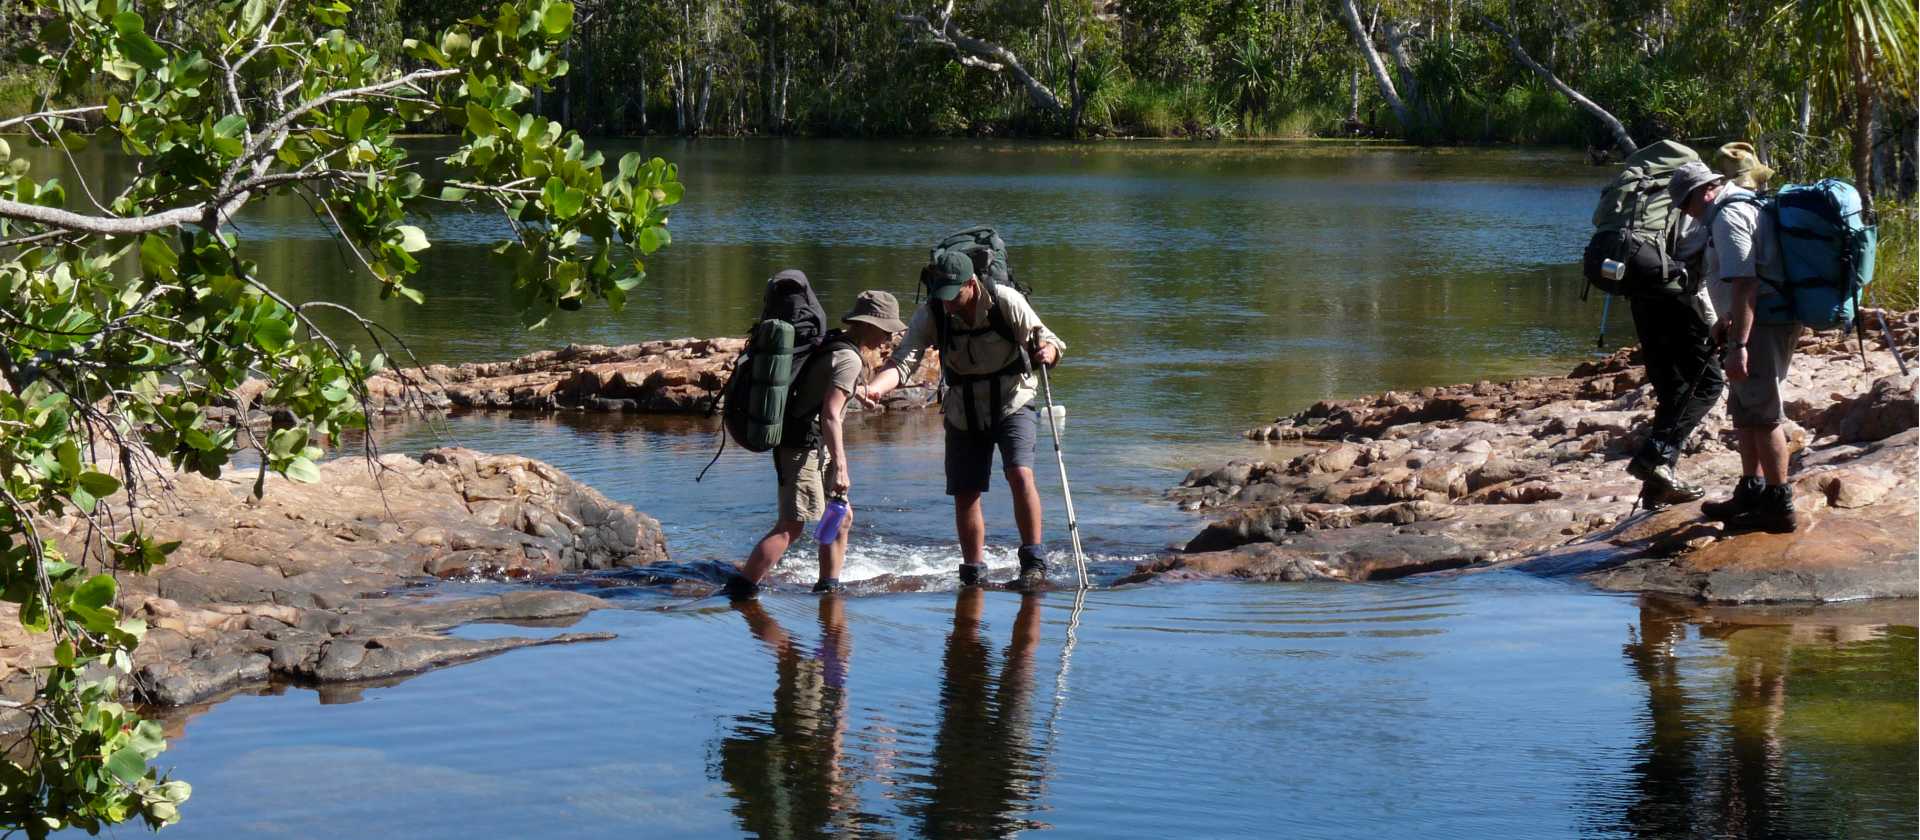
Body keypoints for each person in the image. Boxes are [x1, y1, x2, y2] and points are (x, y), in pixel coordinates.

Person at [857, 249, 1066, 588]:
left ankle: (1033, 563)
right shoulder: (933, 311)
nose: (948, 303)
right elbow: (904, 361)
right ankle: (973, 573)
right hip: (962, 407)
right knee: (966, 491)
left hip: (1012, 398)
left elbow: (1051, 340)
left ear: (971, 284)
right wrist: (875, 389)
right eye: (942, 295)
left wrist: (1049, 352)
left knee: (1019, 473)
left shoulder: (1005, 301)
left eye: (953, 295)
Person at [724, 290, 908, 599]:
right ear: (867, 324)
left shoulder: (835, 342)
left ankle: (828, 587)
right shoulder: (849, 357)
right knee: (791, 526)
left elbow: (820, 382)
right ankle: (740, 590)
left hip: (812, 444)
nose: (889, 338)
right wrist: (842, 467)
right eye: (885, 330)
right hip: (802, 448)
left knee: (841, 516)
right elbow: (831, 415)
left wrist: (859, 393)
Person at [1669, 161, 1800, 533]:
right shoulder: (1733, 207)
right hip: (1750, 322)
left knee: (1764, 414)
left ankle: (1779, 505)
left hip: (1762, 326)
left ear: (1706, 191)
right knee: (1744, 410)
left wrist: (1739, 344)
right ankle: (1750, 490)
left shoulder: (1729, 217)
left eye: (1686, 203)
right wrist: (1725, 320)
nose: (1686, 212)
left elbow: (1746, 283)